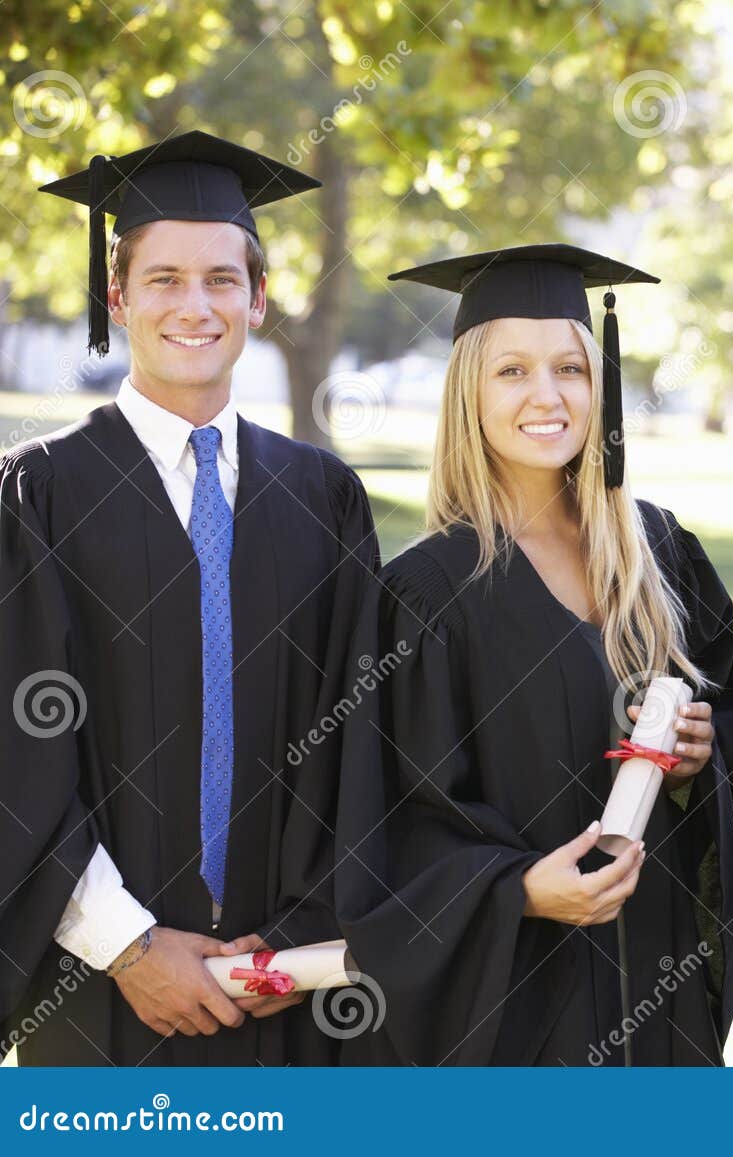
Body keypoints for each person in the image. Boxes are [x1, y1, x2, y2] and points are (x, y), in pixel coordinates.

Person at [1, 131, 379, 1064]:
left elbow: (362, 738)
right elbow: (13, 752)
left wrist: (293, 945)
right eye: (163, 278)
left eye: (220, 278)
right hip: (92, 992)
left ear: (257, 298)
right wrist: (128, 947)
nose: (194, 305)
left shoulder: (322, 497)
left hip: (284, 991)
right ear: (117, 296)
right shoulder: (35, 495)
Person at [336, 245, 733, 1065]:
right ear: (469, 394)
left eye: (569, 368)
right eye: (512, 372)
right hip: (519, 1005)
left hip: (657, 986)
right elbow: (396, 821)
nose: (547, 396)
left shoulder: (661, 553)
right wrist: (515, 888)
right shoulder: (427, 591)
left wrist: (705, 756)